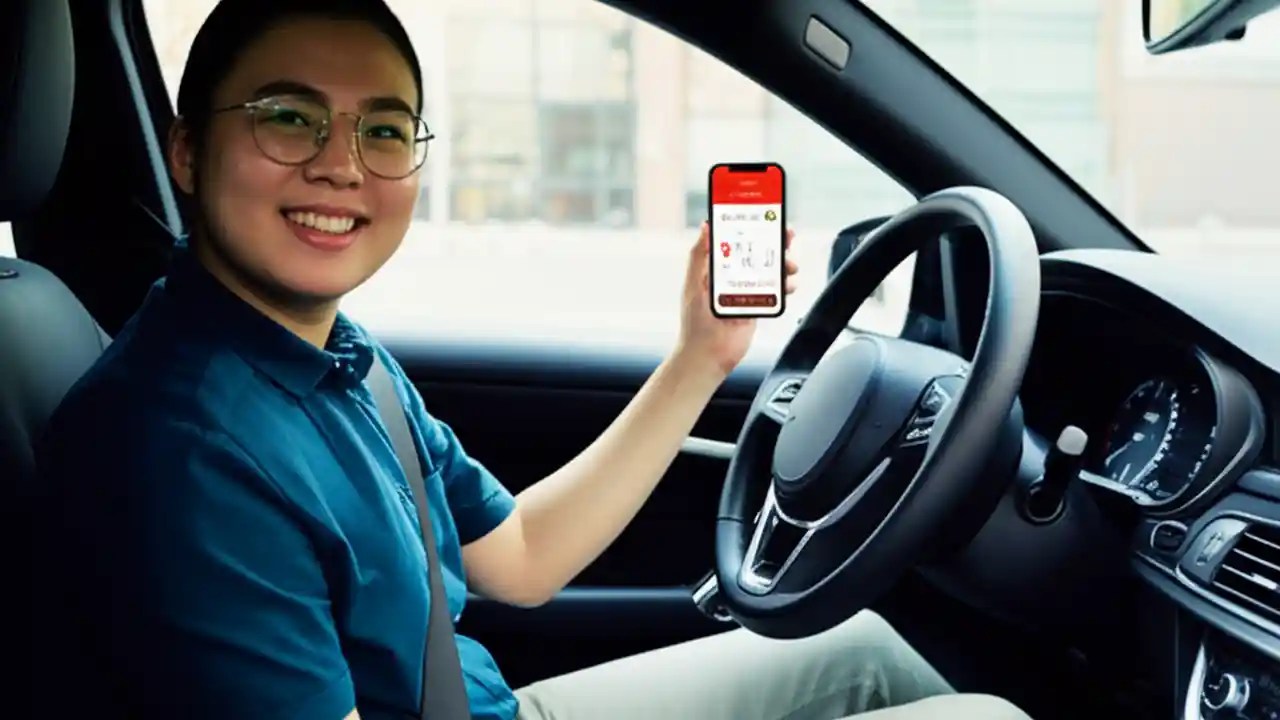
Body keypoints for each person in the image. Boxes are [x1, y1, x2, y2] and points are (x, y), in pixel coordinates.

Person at [28, 1, 1032, 719]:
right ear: (188, 152)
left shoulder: (338, 357)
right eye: (288, 118)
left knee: (862, 649)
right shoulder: (183, 456)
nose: (340, 164)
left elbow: (520, 558)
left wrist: (701, 356)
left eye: (384, 130)